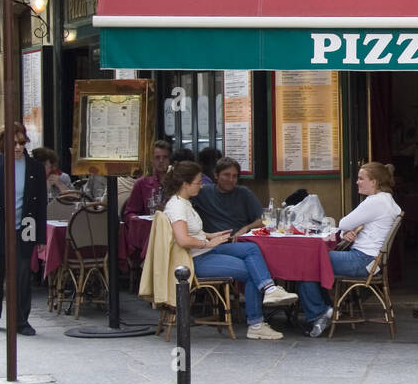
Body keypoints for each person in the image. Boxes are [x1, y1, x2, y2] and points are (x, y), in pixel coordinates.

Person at [161, 161, 296, 341]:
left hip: (204, 252)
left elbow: (193, 232)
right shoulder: (177, 206)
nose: (201, 185)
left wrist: (210, 235)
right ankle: (257, 323)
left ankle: (269, 290)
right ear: (185, 184)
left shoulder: (184, 202)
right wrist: (208, 243)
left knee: (251, 249)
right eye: (198, 182)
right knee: (252, 272)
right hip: (195, 260)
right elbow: (183, 239)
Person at [296, 162, 402, 338]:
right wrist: (349, 232)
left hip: (363, 260)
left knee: (306, 261)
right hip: (370, 260)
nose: (357, 182)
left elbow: (343, 223)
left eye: (361, 179)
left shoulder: (375, 201)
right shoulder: (387, 201)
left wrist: (347, 229)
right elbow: (353, 227)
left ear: (374, 182)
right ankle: (325, 309)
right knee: (314, 261)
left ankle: (319, 312)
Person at [0, 123, 47, 336]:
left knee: (22, 277)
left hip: (24, 229)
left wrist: (41, 237)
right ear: (3, 143)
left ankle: (21, 320)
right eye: (13, 143)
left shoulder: (35, 168)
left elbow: (40, 204)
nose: (18, 147)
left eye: (22, 143)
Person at [193, 157, 264, 235]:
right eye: (226, 175)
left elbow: (262, 220)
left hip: (239, 239)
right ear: (216, 175)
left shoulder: (244, 193)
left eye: (234, 176)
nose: (231, 179)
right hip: (214, 241)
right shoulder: (203, 192)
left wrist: (247, 228)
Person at [123, 139, 172, 219]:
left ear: (169, 160)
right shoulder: (142, 184)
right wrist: (140, 220)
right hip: (148, 227)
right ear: (151, 160)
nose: (161, 161)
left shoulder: (177, 182)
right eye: (157, 157)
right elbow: (129, 214)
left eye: (165, 157)